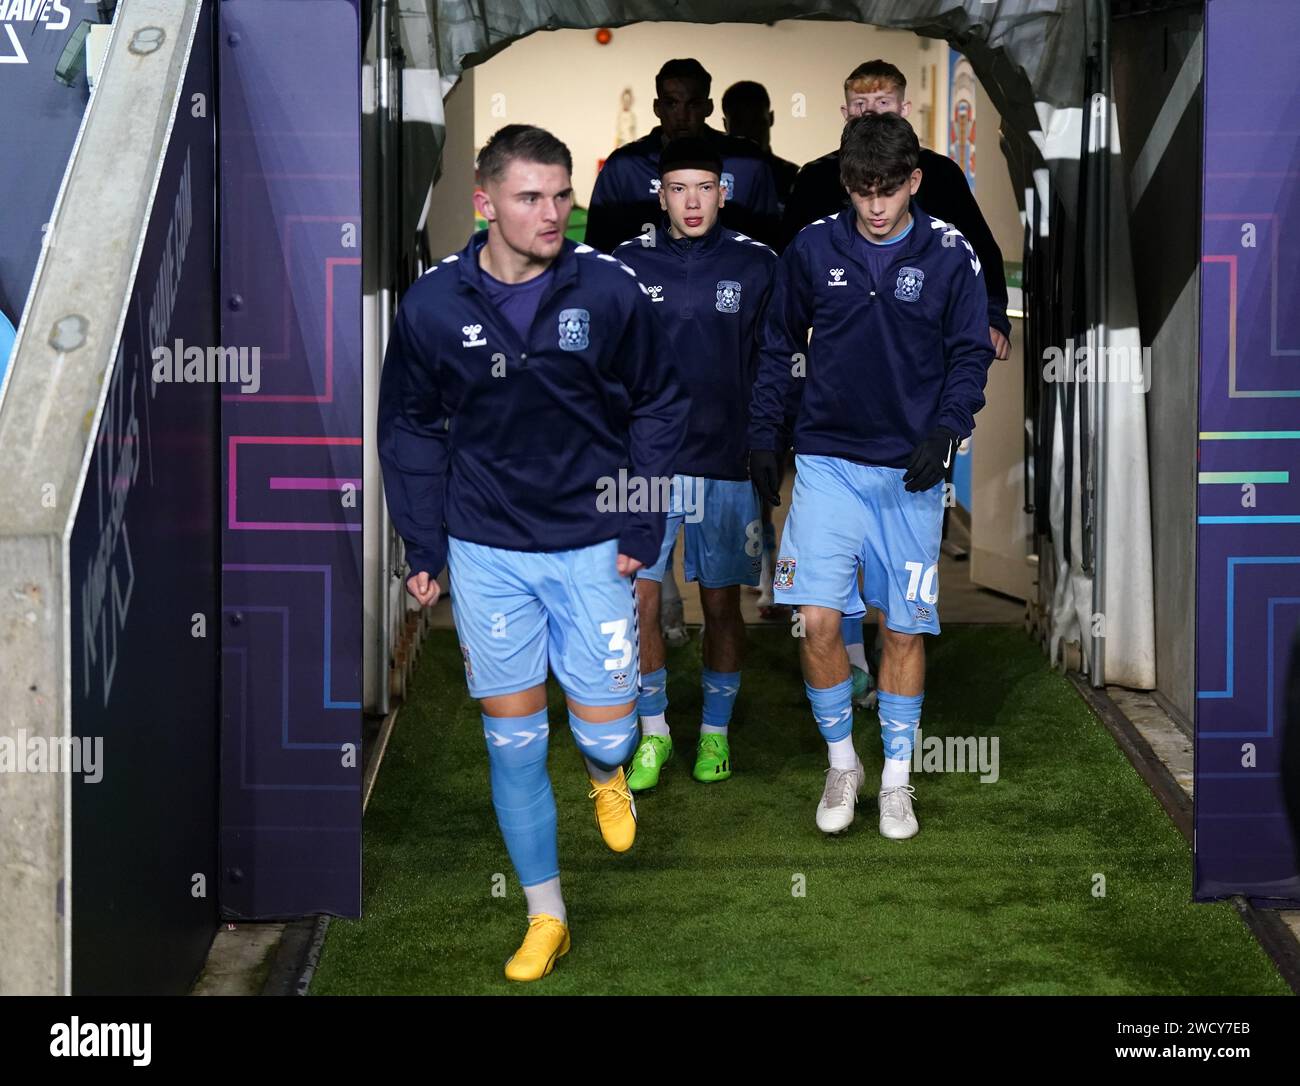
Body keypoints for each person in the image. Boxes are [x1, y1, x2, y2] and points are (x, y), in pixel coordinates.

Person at [378, 124, 688, 982]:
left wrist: (639, 525)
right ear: (484, 204)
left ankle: (604, 771)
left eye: (562, 197)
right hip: (488, 550)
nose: (553, 214)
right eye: (530, 198)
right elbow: (408, 426)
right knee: (511, 744)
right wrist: (424, 541)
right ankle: (545, 914)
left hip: (594, 546)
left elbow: (661, 406)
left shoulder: (612, 290)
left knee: (609, 728)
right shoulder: (433, 306)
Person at [749, 112, 994, 840]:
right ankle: (842, 764)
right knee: (818, 621)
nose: (876, 206)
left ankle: (895, 781)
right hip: (826, 463)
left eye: (889, 189)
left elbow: (970, 357)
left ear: (915, 182)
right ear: (846, 185)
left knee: (903, 631)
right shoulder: (812, 248)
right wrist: (766, 433)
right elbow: (776, 342)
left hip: (911, 475)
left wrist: (948, 429)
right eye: (862, 190)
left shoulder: (952, 257)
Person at [781, 58, 1012, 704]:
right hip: (833, 436)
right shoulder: (817, 187)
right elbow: (783, 303)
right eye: (862, 103)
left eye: (885, 101)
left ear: (905, 110)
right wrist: (775, 418)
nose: (875, 204)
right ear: (844, 109)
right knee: (824, 599)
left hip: (915, 418)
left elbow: (982, 255)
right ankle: (850, 673)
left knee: (903, 602)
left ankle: (891, 667)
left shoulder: (939, 181)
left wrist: (991, 320)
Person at [614, 137, 778, 790]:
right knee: (641, 600)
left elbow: (773, 366)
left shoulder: (758, 265)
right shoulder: (624, 264)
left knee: (720, 606)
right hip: (646, 467)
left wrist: (767, 441)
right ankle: (653, 735)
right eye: (678, 188)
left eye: (703, 188)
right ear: (660, 195)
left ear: (724, 193)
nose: (691, 201)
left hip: (725, 462)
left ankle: (714, 734)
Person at [584, 58, 782, 254]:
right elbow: (598, 252)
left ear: (708, 107)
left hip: (730, 283)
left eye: (693, 104)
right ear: (657, 107)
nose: (682, 115)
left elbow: (770, 247)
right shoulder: (625, 166)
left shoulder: (746, 162)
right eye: (671, 103)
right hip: (641, 284)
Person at [720, 80, 800, 215]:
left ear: (771, 118)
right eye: (739, 123)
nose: (748, 131)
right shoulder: (710, 176)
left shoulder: (796, 178)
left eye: (756, 121)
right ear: (725, 125)